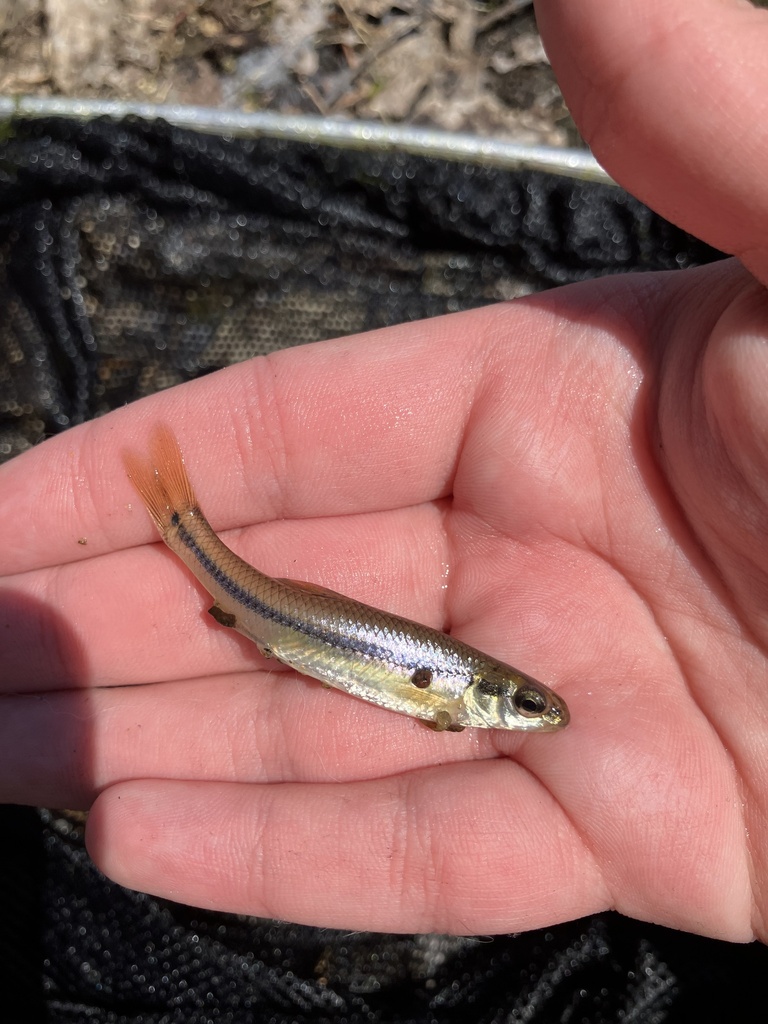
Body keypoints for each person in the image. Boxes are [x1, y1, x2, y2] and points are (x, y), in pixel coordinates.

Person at [1, 0, 766, 943]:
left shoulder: (455, 694)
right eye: (518, 701)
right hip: (273, 608)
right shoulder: (454, 690)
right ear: (484, 692)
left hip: (277, 613)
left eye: (524, 700)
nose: (523, 710)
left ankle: (183, 524)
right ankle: (180, 522)